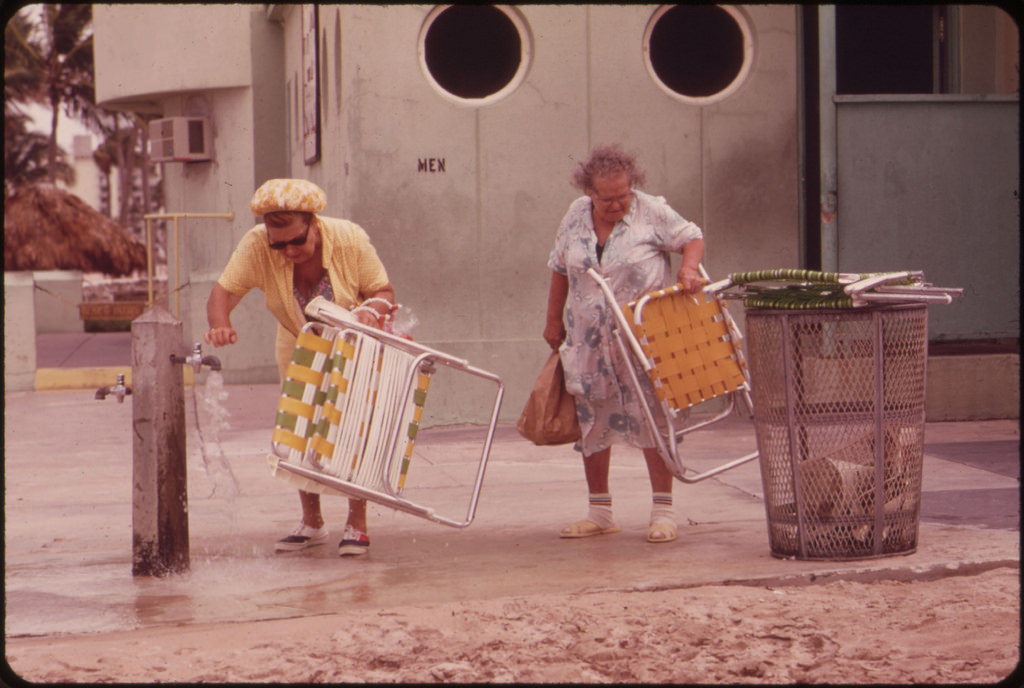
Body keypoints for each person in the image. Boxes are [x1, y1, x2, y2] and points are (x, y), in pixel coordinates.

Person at [205, 178, 395, 557]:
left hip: (353, 337)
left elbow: (384, 291)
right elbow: (223, 291)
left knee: (350, 426)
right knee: (299, 425)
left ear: (314, 224)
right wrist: (220, 324)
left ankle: (357, 523)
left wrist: (370, 312)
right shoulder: (258, 244)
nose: (288, 250)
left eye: (297, 241)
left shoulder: (349, 237)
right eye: (280, 244)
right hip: (297, 335)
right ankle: (312, 522)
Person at [544, 144, 705, 544]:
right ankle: (599, 511)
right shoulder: (575, 214)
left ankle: (663, 510)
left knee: (653, 417)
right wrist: (551, 321)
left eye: (623, 196)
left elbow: (692, 237)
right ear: (589, 192)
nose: (616, 205)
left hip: (642, 340)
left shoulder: (651, 211)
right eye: (606, 198)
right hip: (587, 341)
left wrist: (687, 267)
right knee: (593, 420)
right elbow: (559, 267)